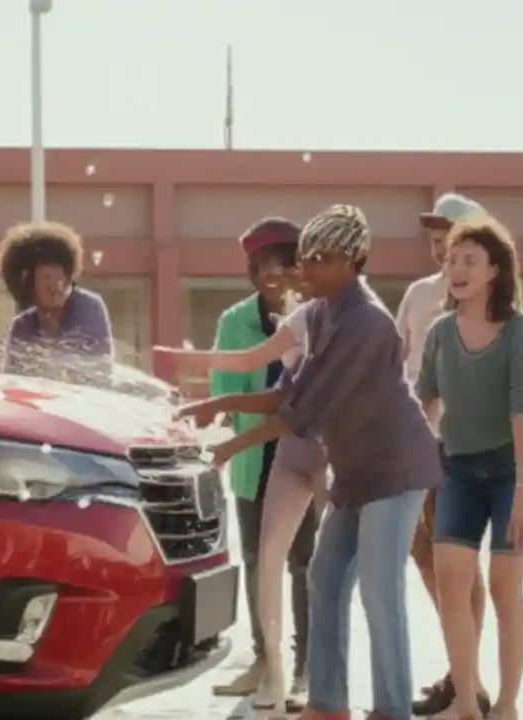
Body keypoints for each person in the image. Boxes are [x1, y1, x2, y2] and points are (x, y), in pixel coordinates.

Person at [177, 204, 442, 720]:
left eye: (320, 259)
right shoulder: (321, 312)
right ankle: (328, 704)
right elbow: (287, 390)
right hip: (355, 471)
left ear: (354, 260)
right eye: (306, 258)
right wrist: (220, 404)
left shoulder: (368, 323)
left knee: (380, 592)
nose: (306, 269)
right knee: (324, 576)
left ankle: (392, 711)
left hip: (396, 469)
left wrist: (233, 444)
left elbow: (306, 408)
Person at [154, 217, 321, 711]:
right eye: (261, 264)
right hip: (255, 458)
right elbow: (228, 399)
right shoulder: (233, 322)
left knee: (303, 563)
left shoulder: (316, 315)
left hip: (305, 460)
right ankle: (265, 659)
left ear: (298, 266)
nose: (271, 272)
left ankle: (307, 663)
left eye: (281, 261)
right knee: (256, 561)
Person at [415, 217, 523, 720]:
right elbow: (425, 401)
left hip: (517, 469)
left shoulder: (521, 330)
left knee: (503, 585)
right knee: (451, 579)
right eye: (451, 259)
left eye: (469, 260)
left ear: (495, 269)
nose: (456, 268)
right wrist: (419, 464)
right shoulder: (440, 333)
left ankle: (508, 705)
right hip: (460, 470)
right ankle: (467, 704)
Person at [400, 193, 493, 718]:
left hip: (464, 450)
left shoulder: (490, 300)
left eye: (450, 234)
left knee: (462, 567)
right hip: (415, 446)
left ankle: (470, 683)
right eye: (435, 236)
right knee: (426, 560)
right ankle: (462, 673)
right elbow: (397, 363)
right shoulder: (417, 294)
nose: (439, 244)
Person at [0, 221, 114, 384]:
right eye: (47, 277)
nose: (56, 286)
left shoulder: (90, 307)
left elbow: (96, 372)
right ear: (29, 284)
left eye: (60, 276)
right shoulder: (22, 326)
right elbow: (13, 379)